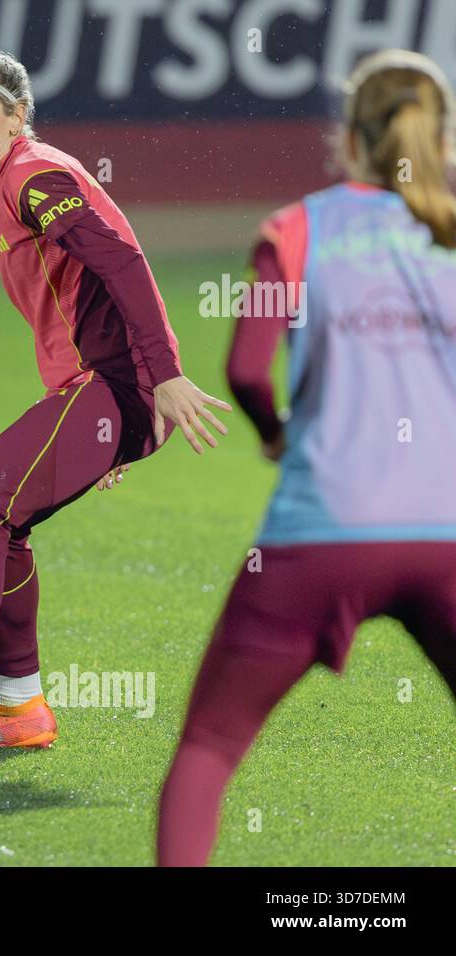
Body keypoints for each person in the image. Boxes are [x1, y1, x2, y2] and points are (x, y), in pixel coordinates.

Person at [0, 44, 229, 773]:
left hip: (122, 384)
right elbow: (76, 308)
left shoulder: (32, 175)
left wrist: (159, 382)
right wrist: (97, 431)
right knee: (3, 520)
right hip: (102, 393)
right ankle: (21, 706)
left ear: (16, 115)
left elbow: (121, 264)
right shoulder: (11, 182)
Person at [158, 49, 456, 865]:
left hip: (321, 527)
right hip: (447, 534)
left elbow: (246, 368)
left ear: (348, 139)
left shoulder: (294, 229)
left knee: (210, 746)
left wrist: (274, 431)